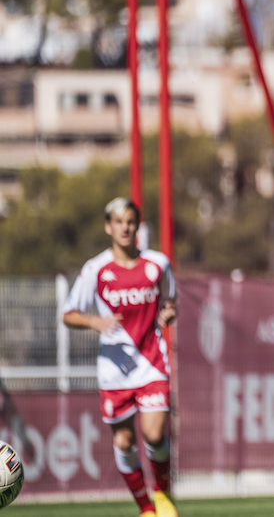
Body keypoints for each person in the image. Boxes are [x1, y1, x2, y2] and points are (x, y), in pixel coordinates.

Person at [63, 198, 177, 517]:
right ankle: (146, 509)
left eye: (130, 221)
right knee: (125, 443)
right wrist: (93, 321)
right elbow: (68, 314)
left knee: (154, 434)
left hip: (151, 362)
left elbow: (171, 301)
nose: (125, 227)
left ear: (137, 226)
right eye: (119, 221)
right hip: (114, 371)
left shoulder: (157, 264)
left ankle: (163, 494)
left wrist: (169, 313)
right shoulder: (95, 269)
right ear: (108, 227)